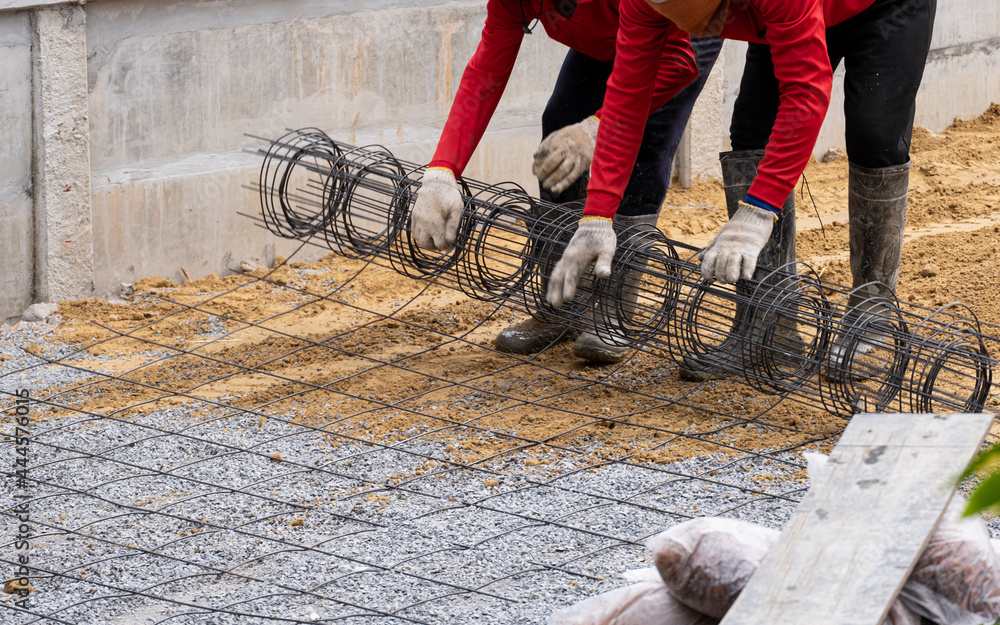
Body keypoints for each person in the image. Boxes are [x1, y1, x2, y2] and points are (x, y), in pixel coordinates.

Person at [545, 0, 935, 379]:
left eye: (711, 21)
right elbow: (628, 100)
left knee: (874, 135)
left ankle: (873, 314)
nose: (707, 35)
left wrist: (757, 213)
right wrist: (597, 215)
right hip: (782, 12)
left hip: (884, 6)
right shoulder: (643, 3)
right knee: (753, 129)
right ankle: (769, 326)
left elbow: (806, 93)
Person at [410, 0, 723, 363]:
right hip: (607, 35)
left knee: (644, 146)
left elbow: (676, 64)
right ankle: (561, 306)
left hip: (675, 32)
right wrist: (442, 171)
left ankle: (613, 310)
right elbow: (485, 73)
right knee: (561, 120)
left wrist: (597, 128)